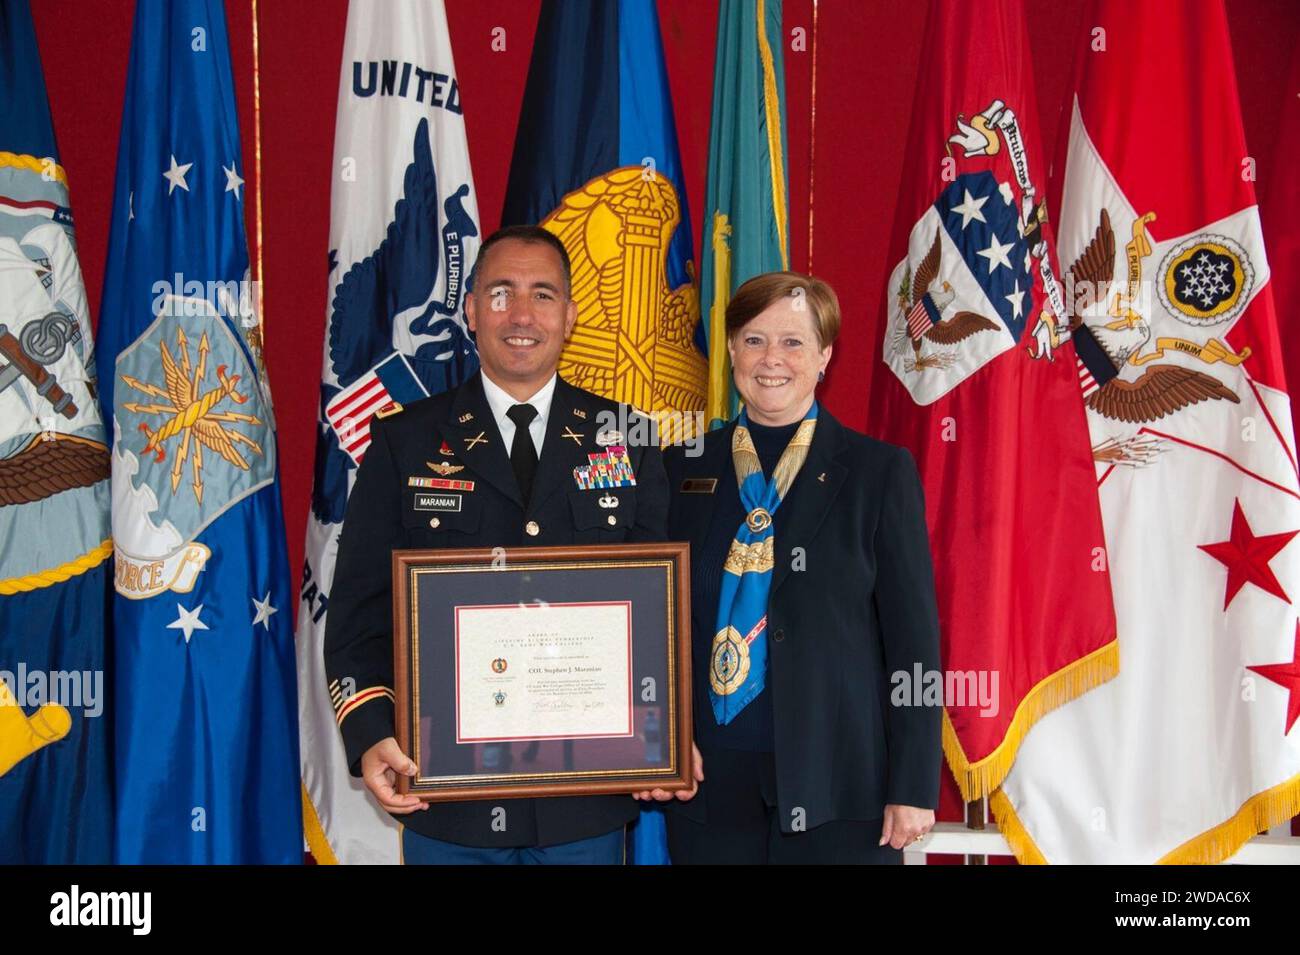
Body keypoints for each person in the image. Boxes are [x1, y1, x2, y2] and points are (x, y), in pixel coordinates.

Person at [324, 225, 677, 864]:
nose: (521, 314)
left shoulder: (628, 437)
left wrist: (665, 732)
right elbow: (357, 610)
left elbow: (662, 611)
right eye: (500, 293)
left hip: (584, 796)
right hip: (448, 794)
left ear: (569, 316)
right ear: (470, 311)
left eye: (543, 295)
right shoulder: (405, 442)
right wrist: (372, 732)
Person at [647, 271, 942, 864]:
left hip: (841, 788)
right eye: (754, 340)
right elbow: (652, 622)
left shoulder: (877, 473)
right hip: (708, 784)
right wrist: (658, 737)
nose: (771, 359)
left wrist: (912, 785)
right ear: (730, 349)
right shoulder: (678, 470)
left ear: (824, 356)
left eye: (793, 342)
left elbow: (914, 640)